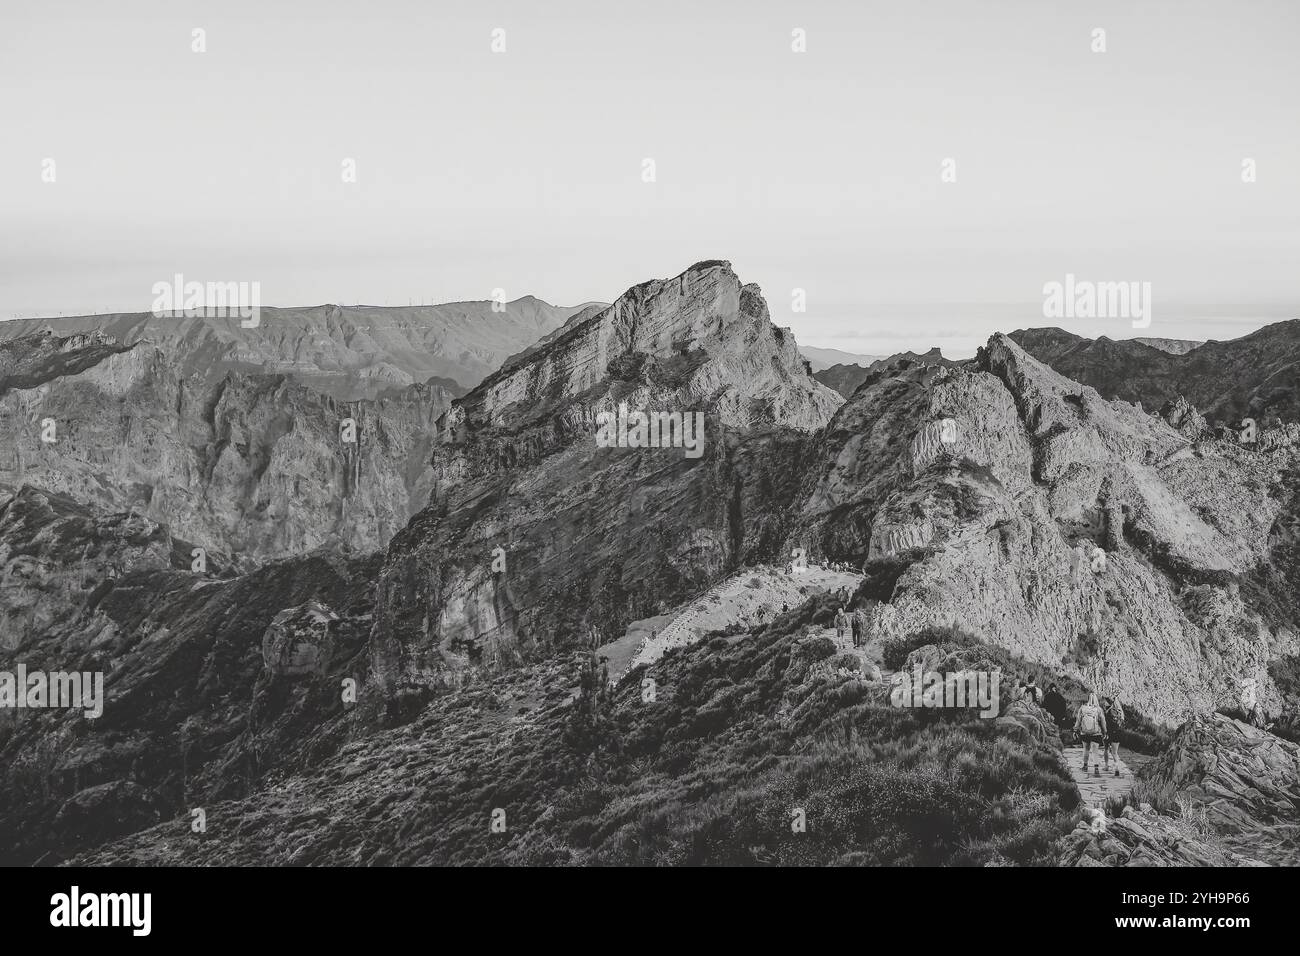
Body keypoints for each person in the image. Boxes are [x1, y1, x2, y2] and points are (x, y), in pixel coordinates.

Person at [1074, 693, 1108, 772]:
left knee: (1086, 749)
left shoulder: (1082, 708)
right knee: (1095, 750)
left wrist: (1075, 730)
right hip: (1096, 733)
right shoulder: (1099, 709)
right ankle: (1096, 768)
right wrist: (1105, 732)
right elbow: (1103, 722)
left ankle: (1085, 766)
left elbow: (1078, 721)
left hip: (1084, 732)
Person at [1101, 696, 1125, 774]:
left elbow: (1103, 723)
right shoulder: (1119, 712)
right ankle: (1117, 767)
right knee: (1115, 752)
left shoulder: (1106, 712)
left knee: (1106, 749)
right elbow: (1122, 723)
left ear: (1108, 703)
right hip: (1118, 733)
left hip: (1108, 733)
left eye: (1105, 701)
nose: (1104, 703)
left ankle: (1106, 766)